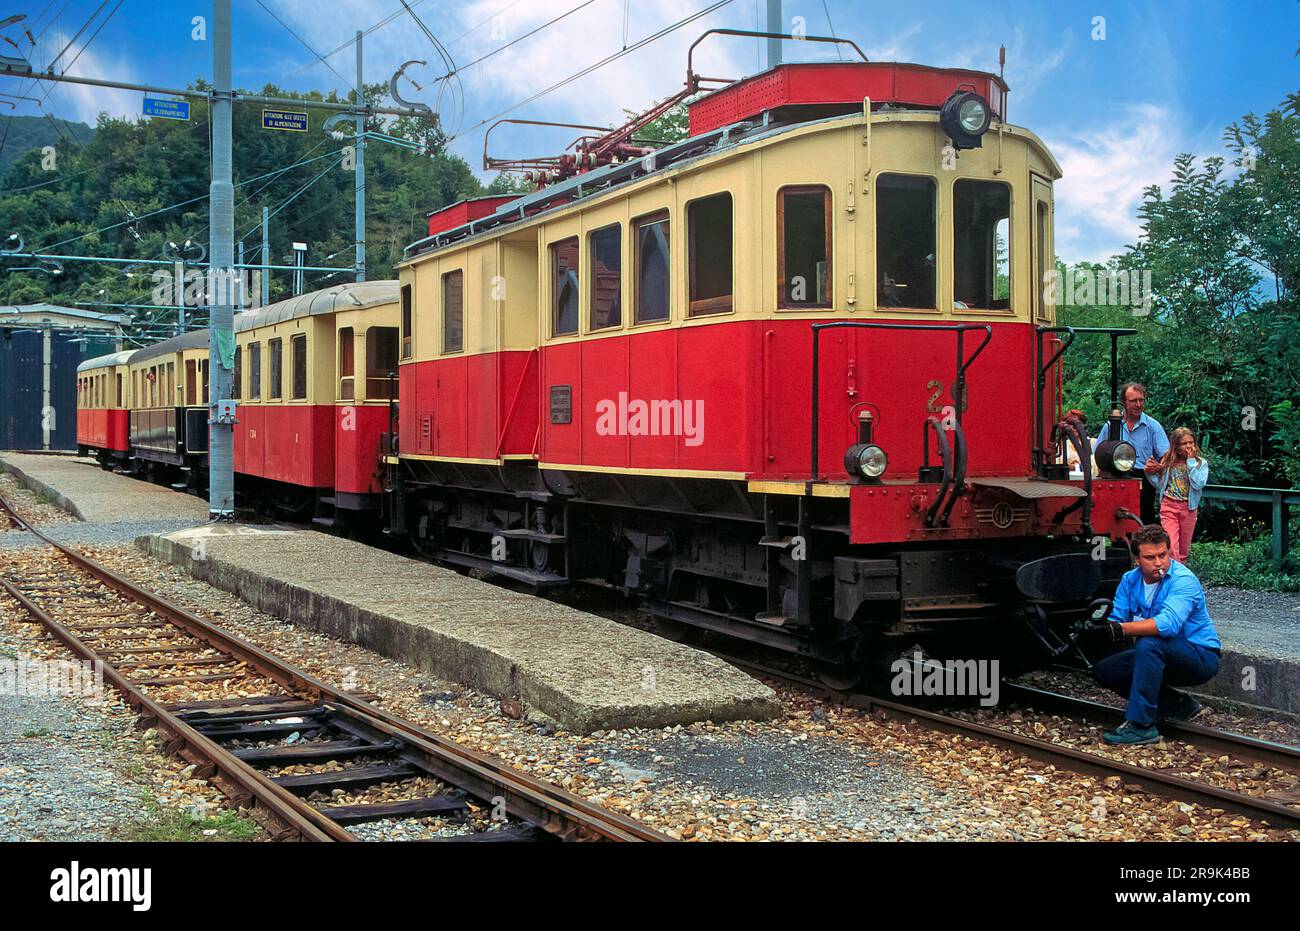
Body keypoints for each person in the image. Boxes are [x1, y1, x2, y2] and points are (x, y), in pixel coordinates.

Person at [1091, 524, 1222, 745]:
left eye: (1163, 555)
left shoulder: (1183, 580)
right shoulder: (1129, 580)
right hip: (1157, 655)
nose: (1159, 562)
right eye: (1150, 557)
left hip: (1199, 656)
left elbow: (1167, 625)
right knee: (1104, 671)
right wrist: (1101, 626)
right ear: (1137, 560)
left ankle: (1141, 726)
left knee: (1150, 642)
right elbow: (1117, 618)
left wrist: (1122, 629)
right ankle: (1177, 705)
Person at [1098, 382, 1169, 524]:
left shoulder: (1152, 426)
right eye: (1133, 401)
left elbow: (1167, 455)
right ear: (1123, 403)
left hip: (1144, 478)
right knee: (1117, 519)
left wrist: (1158, 467)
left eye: (1141, 400)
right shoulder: (1110, 426)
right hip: (1116, 478)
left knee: (1144, 520)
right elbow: (1098, 453)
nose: (1138, 404)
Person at [1155, 427, 1210, 562]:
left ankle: (1180, 578)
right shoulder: (1168, 461)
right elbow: (1159, 483)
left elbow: (1198, 484)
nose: (1188, 446)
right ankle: (1173, 577)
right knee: (1172, 547)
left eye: (1191, 442)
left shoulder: (1200, 463)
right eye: (1184, 443)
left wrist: (1190, 462)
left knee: (1184, 550)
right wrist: (1151, 471)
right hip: (1169, 505)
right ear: (1176, 446)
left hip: (1188, 508)